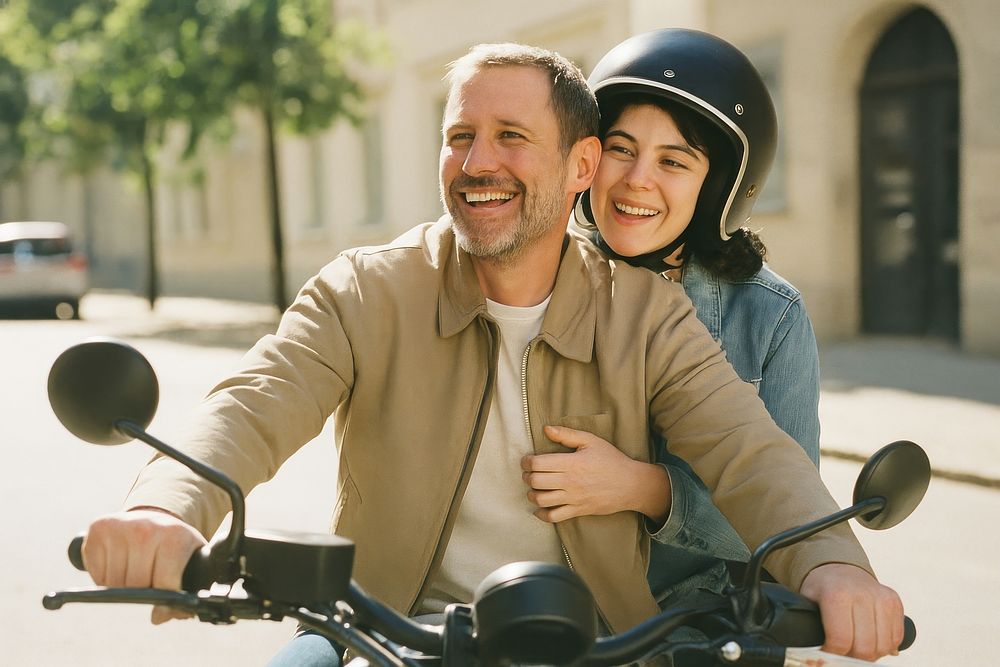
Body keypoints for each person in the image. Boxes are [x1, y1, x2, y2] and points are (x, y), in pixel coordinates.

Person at [79, 43, 903, 664]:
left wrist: (834, 565)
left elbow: (751, 452)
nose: (478, 163)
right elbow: (255, 399)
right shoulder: (367, 288)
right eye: (460, 136)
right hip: (380, 629)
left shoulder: (646, 313)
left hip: (597, 639)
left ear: (579, 165)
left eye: (512, 136)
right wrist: (167, 508)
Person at [521, 27, 825, 636]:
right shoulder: (533, 276)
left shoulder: (770, 314)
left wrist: (646, 489)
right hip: (546, 613)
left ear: (717, 189)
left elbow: (794, 520)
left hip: (695, 623)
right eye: (621, 148)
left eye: (673, 161)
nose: (638, 179)